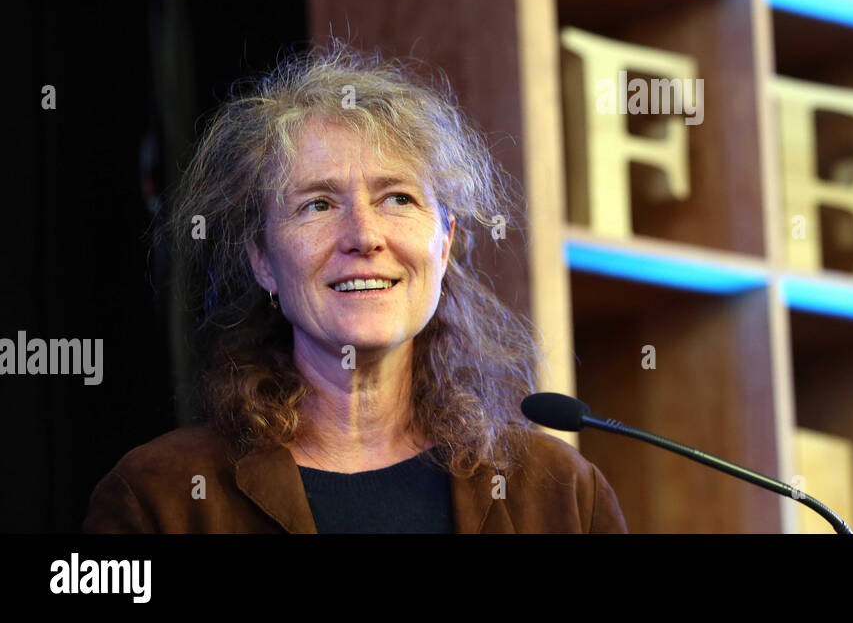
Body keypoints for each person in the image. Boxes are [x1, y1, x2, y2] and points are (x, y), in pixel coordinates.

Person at [83, 40, 626, 533]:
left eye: (398, 199)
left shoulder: (561, 495)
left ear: (443, 244)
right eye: (317, 204)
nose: (364, 236)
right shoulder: (161, 497)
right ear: (262, 259)